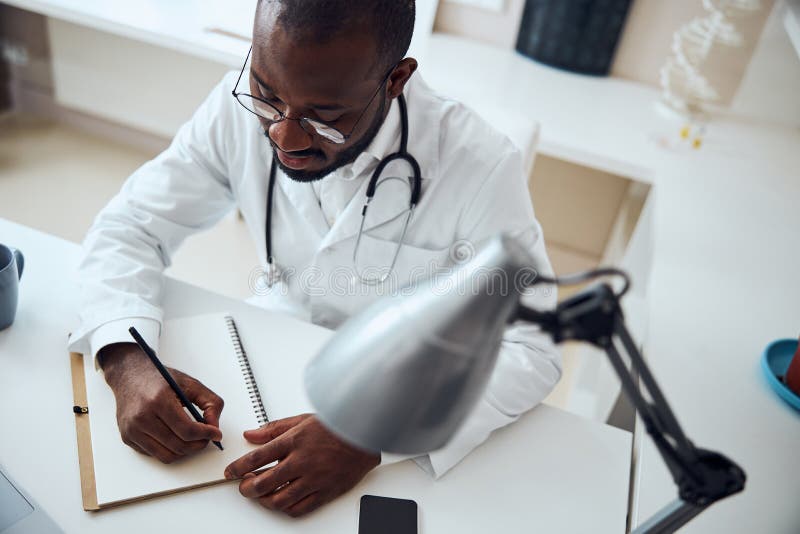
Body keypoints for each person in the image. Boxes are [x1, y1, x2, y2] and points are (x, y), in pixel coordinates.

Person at [67, 0, 561, 518]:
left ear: (395, 80)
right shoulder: (236, 107)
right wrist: (125, 358)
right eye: (267, 95)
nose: (283, 135)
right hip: (266, 362)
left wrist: (371, 436)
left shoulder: (478, 165)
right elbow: (131, 225)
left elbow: (534, 346)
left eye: (325, 118)